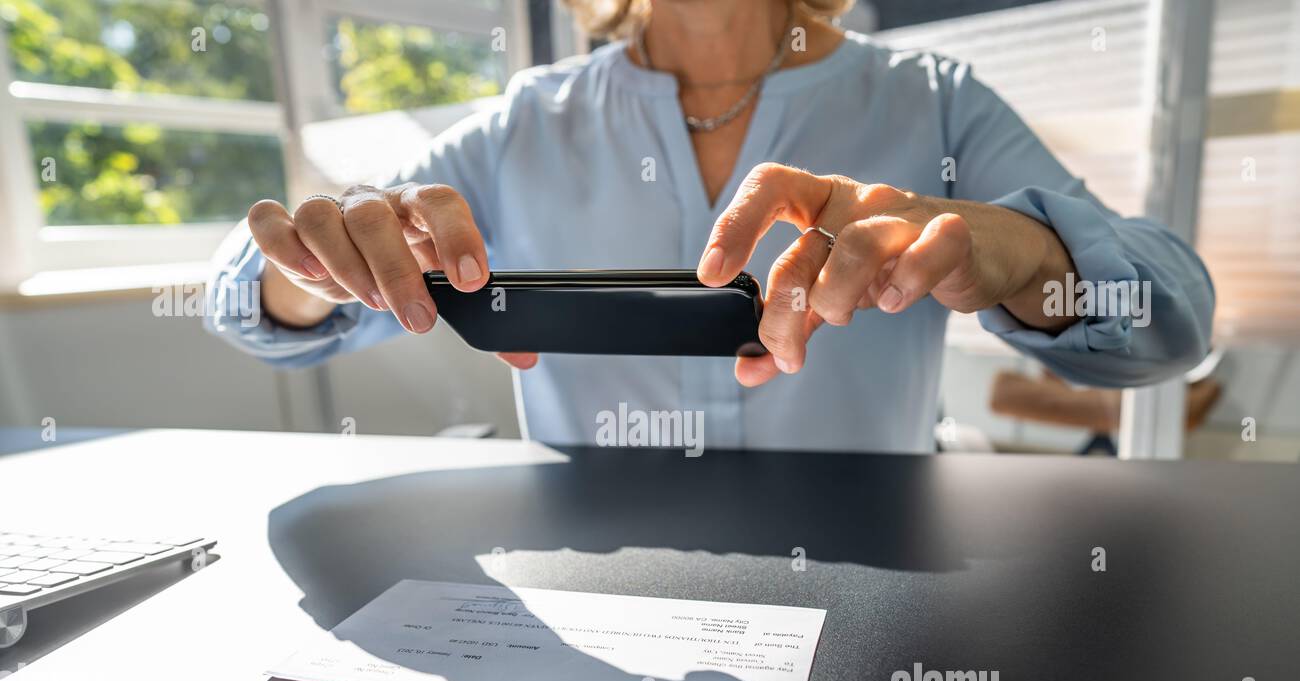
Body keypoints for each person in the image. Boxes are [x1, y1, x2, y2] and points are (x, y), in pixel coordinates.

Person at [205, 0, 1214, 452]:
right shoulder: (523, 122)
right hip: (587, 613)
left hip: (880, 592)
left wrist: (1029, 254)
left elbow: (1175, 314)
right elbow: (255, 304)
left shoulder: (932, 102)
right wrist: (311, 265)